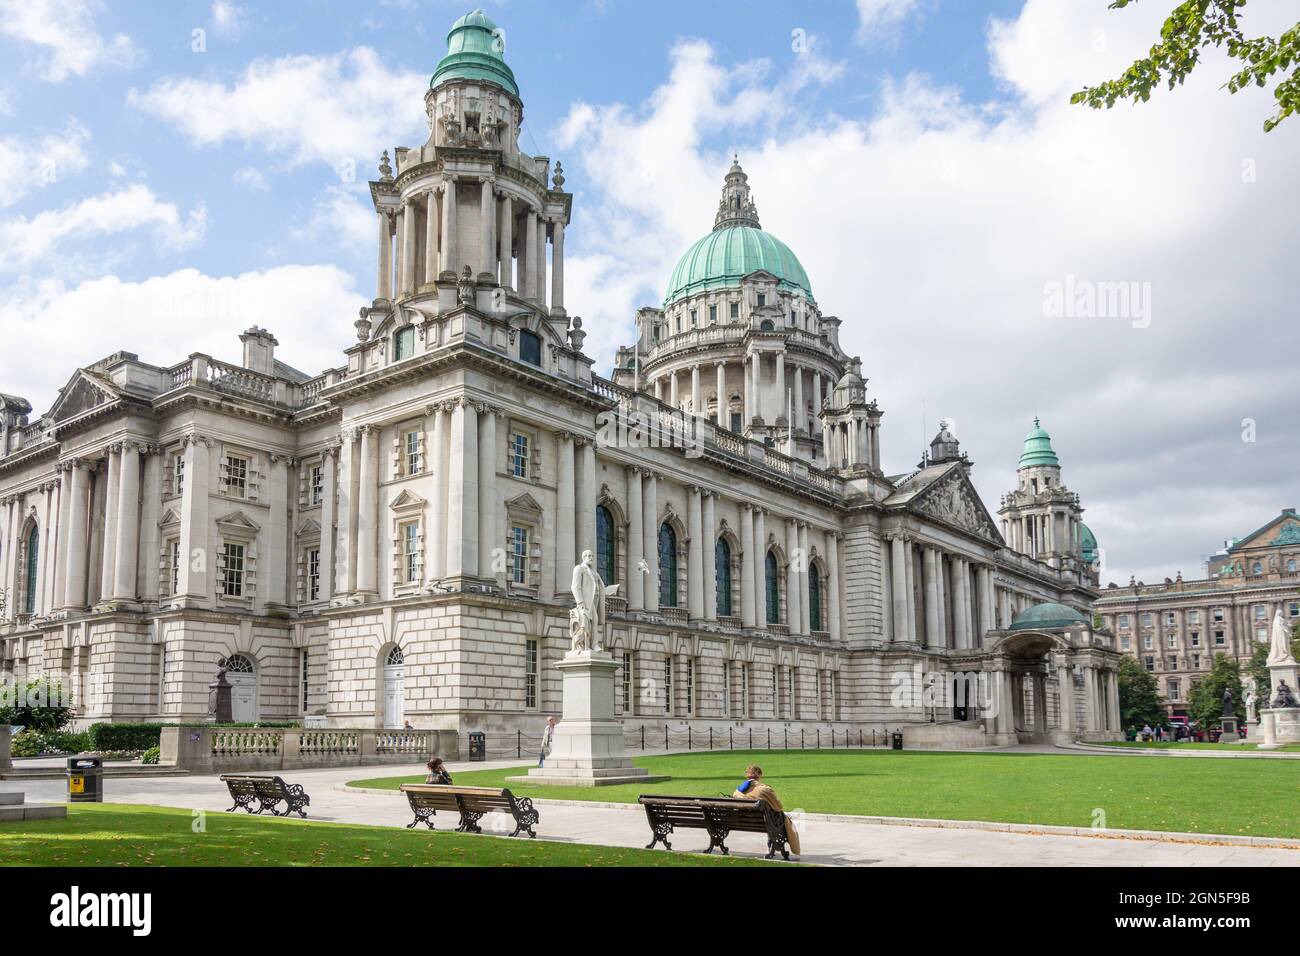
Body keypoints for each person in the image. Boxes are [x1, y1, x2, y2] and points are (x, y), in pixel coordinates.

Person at [732, 764, 801, 857]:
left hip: (744, 821)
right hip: (766, 822)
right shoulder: (764, 790)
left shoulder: (737, 791)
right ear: (759, 775)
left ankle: (771, 845)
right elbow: (779, 807)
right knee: (785, 820)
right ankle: (793, 849)